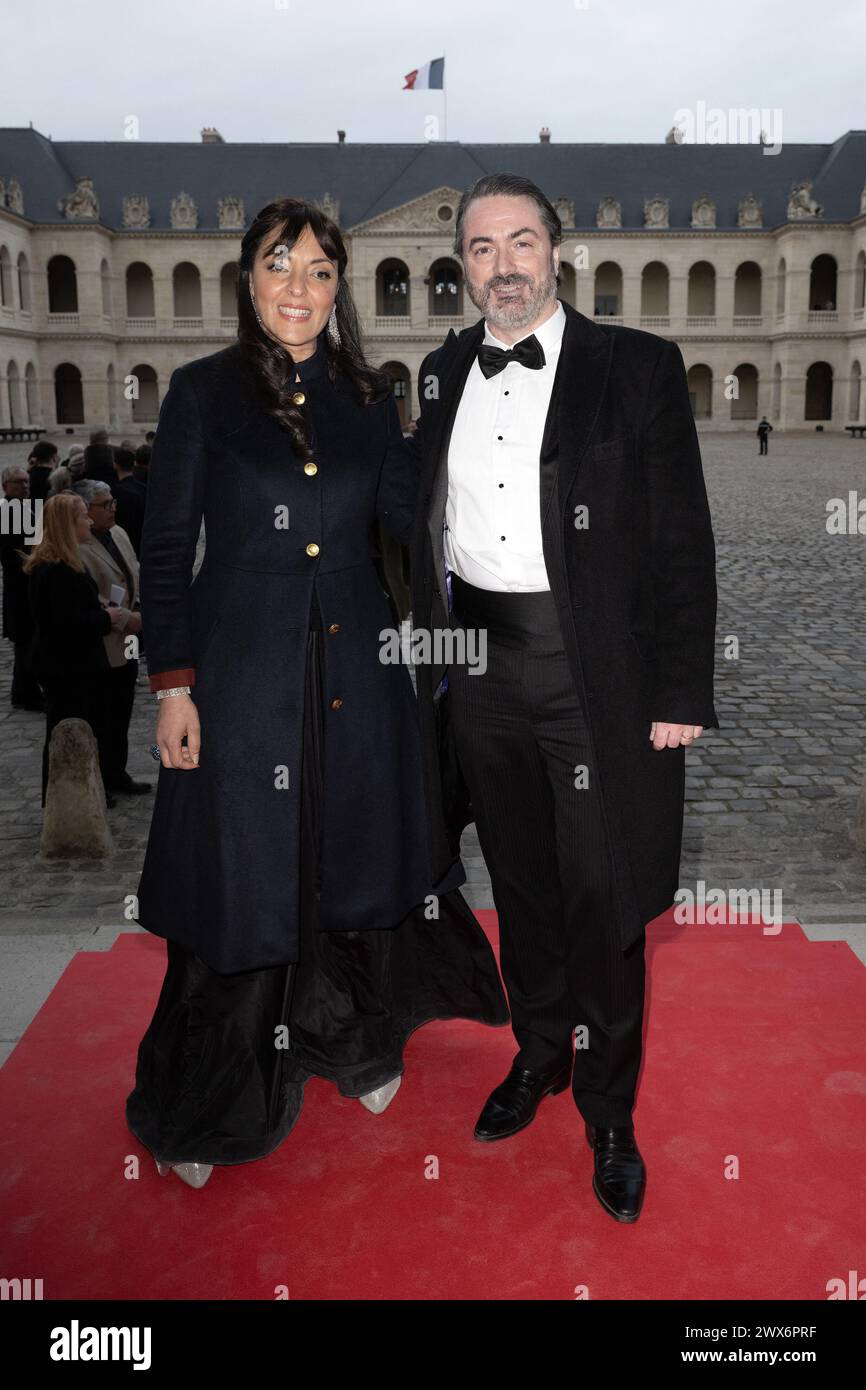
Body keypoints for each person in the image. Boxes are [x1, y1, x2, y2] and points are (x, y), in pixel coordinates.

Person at [125, 196, 509, 1190]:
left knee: (351, 856)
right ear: (247, 278)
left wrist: (461, 415)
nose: (298, 287)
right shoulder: (201, 392)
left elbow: (395, 505)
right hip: (241, 668)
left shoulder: (364, 392)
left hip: (355, 666)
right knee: (241, 876)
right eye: (278, 265)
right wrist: (172, 686)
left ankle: (349, 1038)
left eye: (319, 272)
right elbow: (164, 552)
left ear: (339, 290)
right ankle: (204, 1094)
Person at [407, 173, 719, 1224]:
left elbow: (678, 537)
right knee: (524, 886)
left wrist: (677, 688)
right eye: (481, 247)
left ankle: (609, 1110)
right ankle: (537, 1052)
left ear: (557, 249)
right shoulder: (441, 369)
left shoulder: (635, 366)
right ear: (462, 262)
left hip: (594, 674)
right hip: (481, 673)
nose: (502, 264)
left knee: (604, 897)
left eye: (521, 241)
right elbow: (418, 527)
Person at [22, 493, 128, 808]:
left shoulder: (63, 562)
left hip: (71, 664)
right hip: (66, 667)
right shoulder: (55, 568)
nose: (90, 521)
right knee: (65, 733)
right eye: (83, 516)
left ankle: (76, 794)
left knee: (76, 730)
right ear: (68, 524)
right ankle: (63, 800)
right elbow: (65, 623)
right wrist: (105, 617)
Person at [76, 479, 149, 796]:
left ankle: (117, 773)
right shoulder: (77, 545)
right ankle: (99, 781)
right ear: (86, 510)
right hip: (103, 639)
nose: (113, 508)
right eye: (105, 504)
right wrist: (124, 619)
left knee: (122, 709)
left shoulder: (118, 532)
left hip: (128, 638)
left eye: (113, 502)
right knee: (100, 713)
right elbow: (92, 597)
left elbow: (131, 571)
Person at [1, 464, 43, 710]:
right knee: (25, 643)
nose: (25, 486)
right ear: (5, 485)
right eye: (19, 482)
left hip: (28, 586)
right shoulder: (10, 511)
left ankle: (25, 691)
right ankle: (26, 694)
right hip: (21, 589)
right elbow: (10, 555)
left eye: (26, 481)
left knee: (28, 643)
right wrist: (37, 562)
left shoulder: (24, 507)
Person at [111, 447, 147, 555]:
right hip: (141, 542)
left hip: (123, 544)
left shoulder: (114, 492)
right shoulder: (144, 489)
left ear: (115, 465)